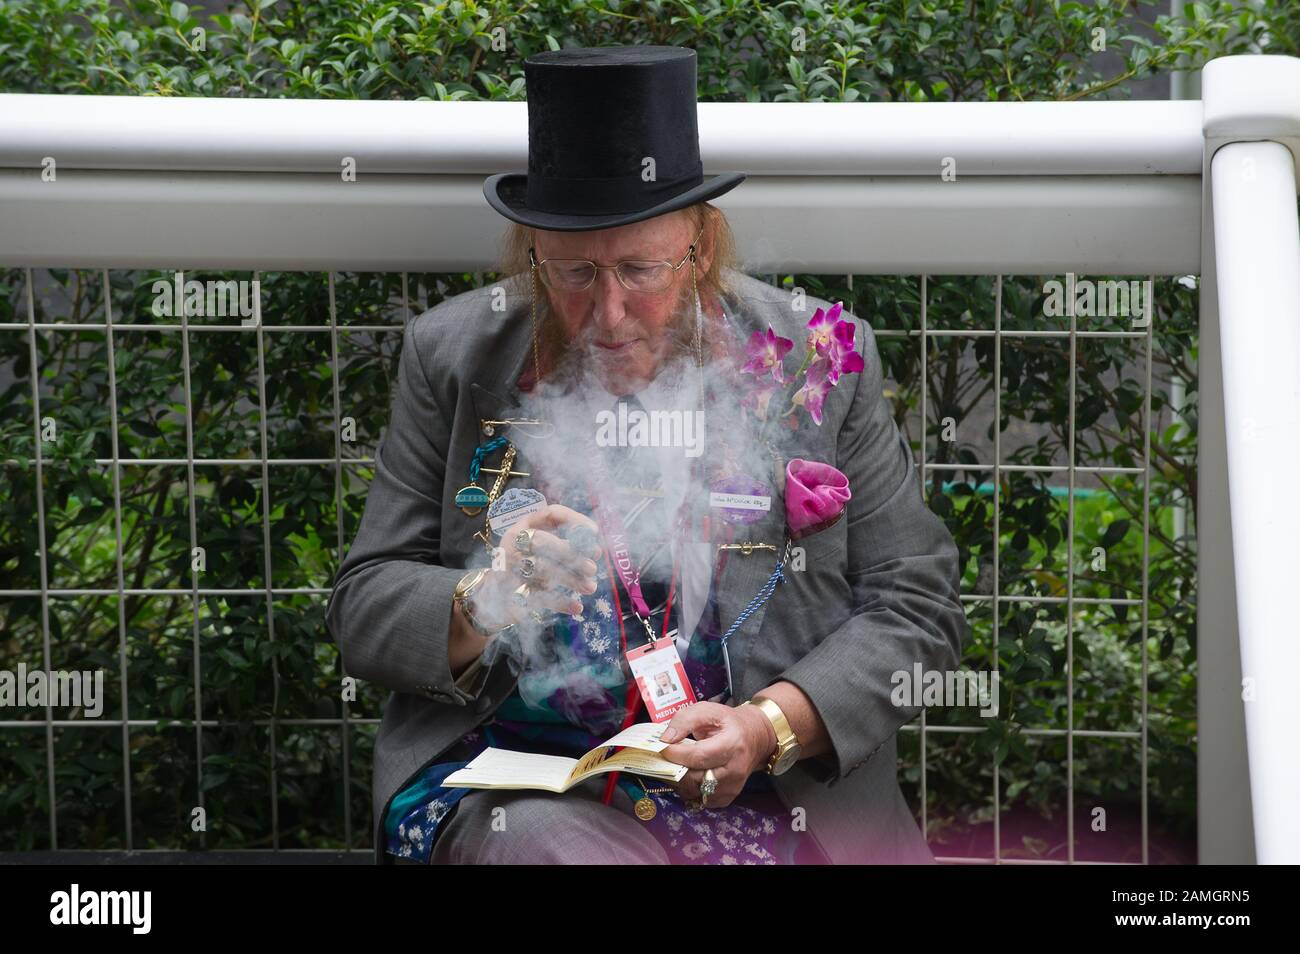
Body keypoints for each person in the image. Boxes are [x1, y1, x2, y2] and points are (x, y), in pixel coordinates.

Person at [326, 44, 966, 865]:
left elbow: (917, 602)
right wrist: (485, 597)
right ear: (531, 256)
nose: (610, 313)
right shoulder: (453, 355)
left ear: (701, 248)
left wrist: (770, 725)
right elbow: (363, 607)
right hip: (529, 784)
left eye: (640, 268)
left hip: (774, 787)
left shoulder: (814, 359)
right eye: (574, 273)